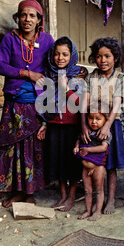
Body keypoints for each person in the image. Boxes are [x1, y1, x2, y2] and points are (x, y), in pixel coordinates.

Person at [0, 0, 54, 207]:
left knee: (34, 147)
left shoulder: (47, 41)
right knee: (13, 146)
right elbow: (1, 66)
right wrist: (26, 73)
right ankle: (16, 190)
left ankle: (30, 192)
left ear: (39, 20)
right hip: (14, 101)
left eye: (32, 16)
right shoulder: (9, 40)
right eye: (23, 15)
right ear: (18, 18)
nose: (27, 19)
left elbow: (54, 65)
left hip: (36, 102)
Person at [41, 36, 87, 211]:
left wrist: (66, 88)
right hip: (54, 124)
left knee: (71, 161)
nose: (60, 58)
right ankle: (62, 195)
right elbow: (43, 101)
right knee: (57, 160)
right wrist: (44, 123)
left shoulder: (78, 75)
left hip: (72, 124)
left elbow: (79, 102)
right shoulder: (48, 74)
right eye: (57, 54)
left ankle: (72, 196)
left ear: (72, 56)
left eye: (65, 54)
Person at [82, 37, 124, 214]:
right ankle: (94, 197)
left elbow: (116, 104)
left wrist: (107, 125)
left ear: (115, 58)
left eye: (107, 56)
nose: (103, 60)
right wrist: (84, 127)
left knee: (111, 164)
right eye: (99, 56)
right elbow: (84, 104)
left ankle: (111, 199)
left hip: (112, 125)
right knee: (93, 161)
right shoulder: (91, 77)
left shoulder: (120, 78)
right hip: (92, 123)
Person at [74, 109, 112, 221]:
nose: (94, 122)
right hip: (86, 168)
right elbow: (78, 140)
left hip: (98, 167)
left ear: (105, 120)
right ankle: (88, 210)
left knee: (99, 190)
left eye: (98, 119)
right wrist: (76, 147)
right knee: (87, 191)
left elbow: (103, 147)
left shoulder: (105, 134)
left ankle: (97, 211)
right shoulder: (86, 131)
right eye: (91, 118)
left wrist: (88, 150)